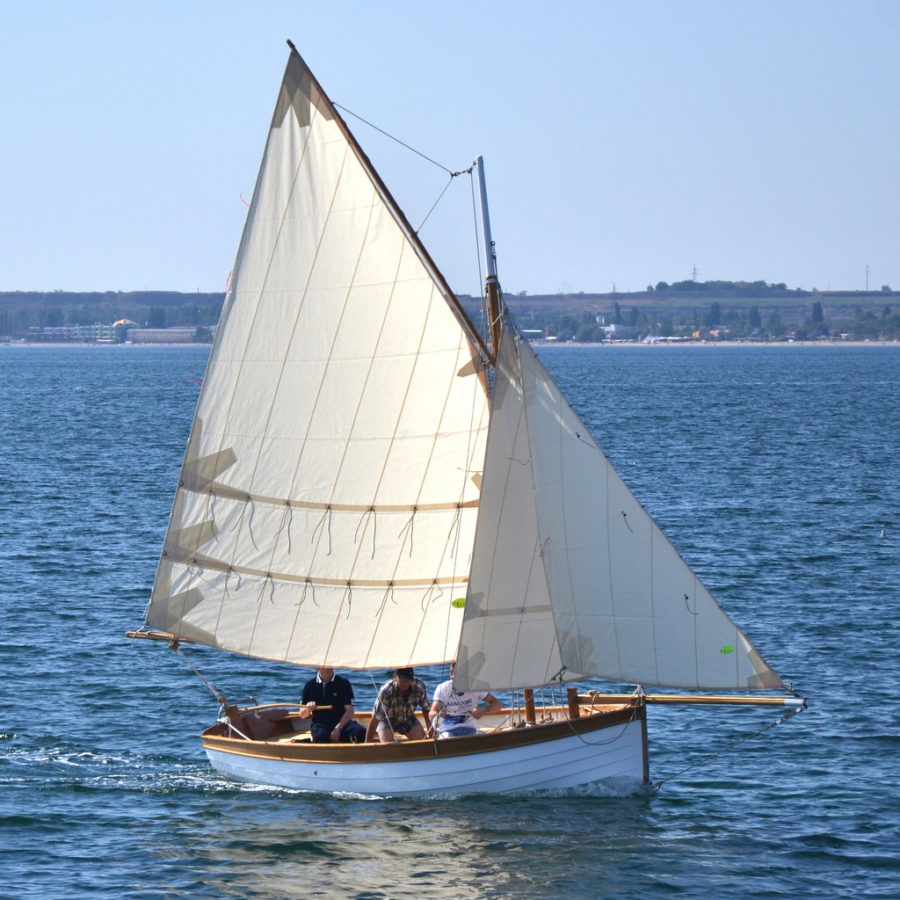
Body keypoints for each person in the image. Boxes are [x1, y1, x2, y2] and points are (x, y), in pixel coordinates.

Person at [429, 662, 501, 738]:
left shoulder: (474, 687)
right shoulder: (443, 688)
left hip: (470, 730)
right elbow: (431, 714)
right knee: (447, 738)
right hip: (448, 730)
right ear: (451, 675)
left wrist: (484, 710)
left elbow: (497, 705)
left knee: (483, 738)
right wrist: (438, 714)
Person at [299, 667, 367, 743]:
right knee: (320, 736)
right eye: (324, 665)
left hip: (342, 723)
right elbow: (302, 715)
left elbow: (350, 711)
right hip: (321, 723)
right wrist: (308, 709)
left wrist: (338, 728)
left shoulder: (343, 683)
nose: (328, 667)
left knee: (360, 732)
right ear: (317, 667)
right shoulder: (310, 685)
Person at [366, 668, 430, 742]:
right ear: (395, 677)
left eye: (408, 680)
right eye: (402, 680)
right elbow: (375, 719)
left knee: (423, 742)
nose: (405, 683)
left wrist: (430, 729)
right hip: (386, 719)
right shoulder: (387, 691)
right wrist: (366, 744)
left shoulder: (419, 686)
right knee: (387, 747)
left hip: (408, 718)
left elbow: (426, 708)